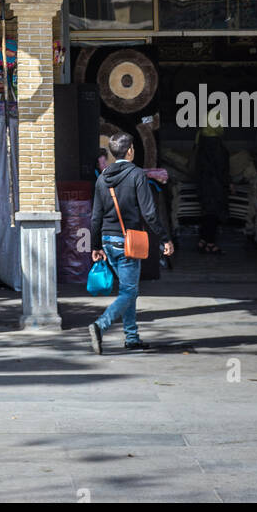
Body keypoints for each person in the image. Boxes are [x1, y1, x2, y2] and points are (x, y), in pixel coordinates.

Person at [88, 129, 174, 353]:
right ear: (130, 151)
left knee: (129, 289)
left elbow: (95, 216)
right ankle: (100, 325)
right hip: (127, 242)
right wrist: (164, 239)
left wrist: (96, 246)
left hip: (107, 240)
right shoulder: (137, 175)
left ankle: (132, 337)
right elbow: (150, 213)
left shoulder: (102, 178)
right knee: (129, 292)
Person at [194, 110, 230, 254]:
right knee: (213, 214)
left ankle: (203, 240)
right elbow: (220, 167)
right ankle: (210, 242)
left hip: (203, 183)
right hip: (215, 185)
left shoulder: (201, 138)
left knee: (206, 212)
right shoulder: (216, 145)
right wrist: (227, 183)